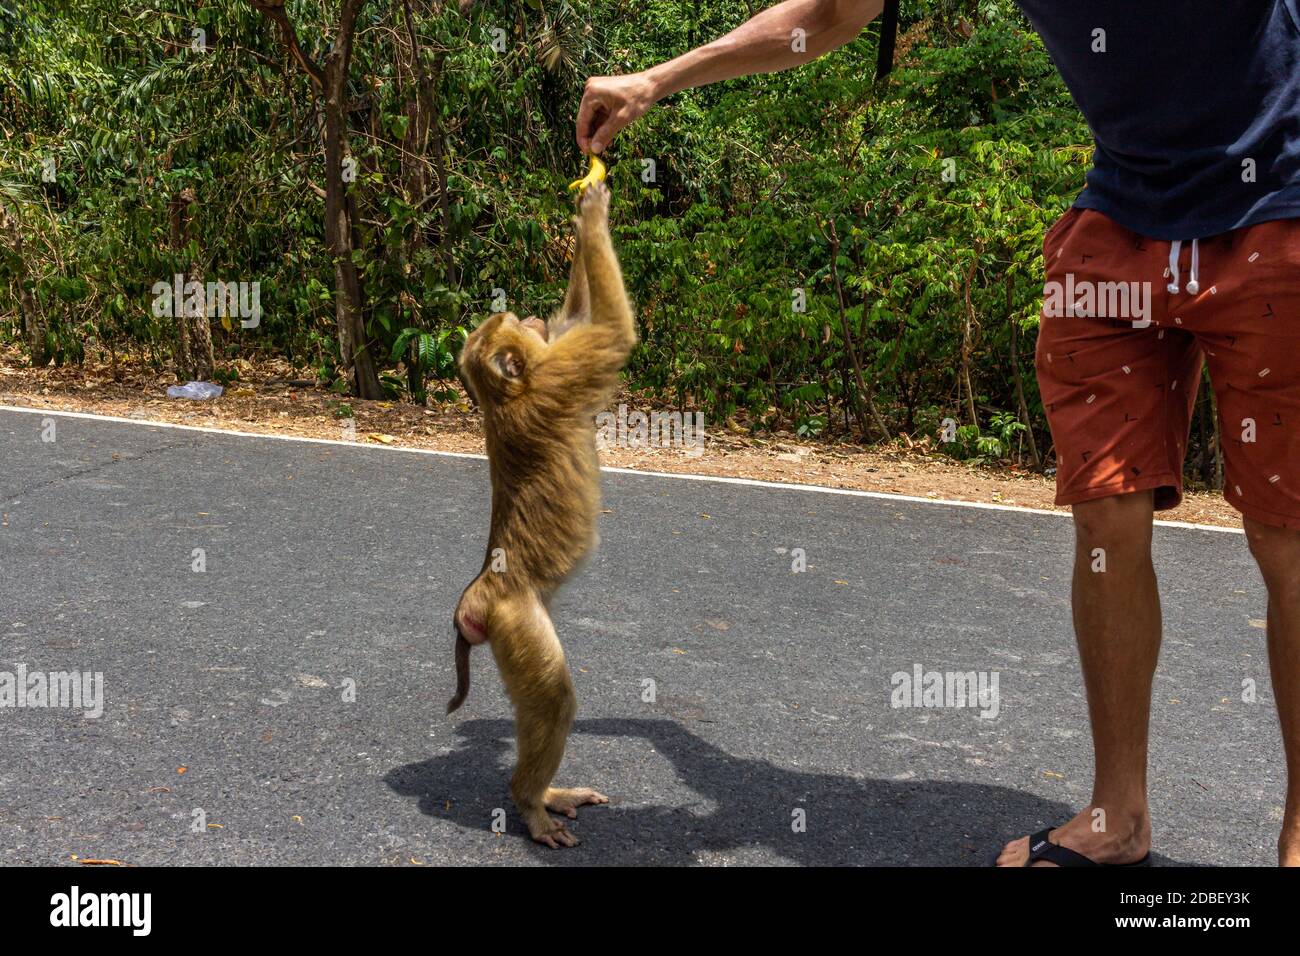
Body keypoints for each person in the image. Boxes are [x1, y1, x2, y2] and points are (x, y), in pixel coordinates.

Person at [576, 0, 1300, 866]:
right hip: (1123, 214)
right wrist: (657, 78)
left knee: (1286, 538)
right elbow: (832, 13)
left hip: (1279, 207)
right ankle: (1118, 817)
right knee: (1106, 516)